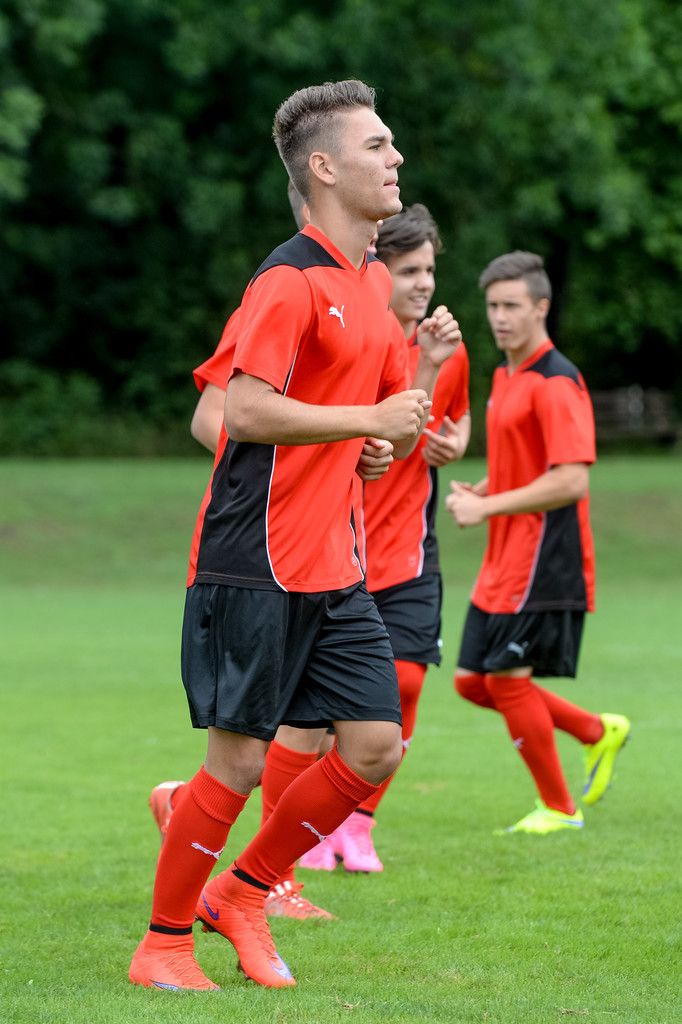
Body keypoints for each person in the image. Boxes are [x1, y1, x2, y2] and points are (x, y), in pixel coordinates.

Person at [129, 79, 461, 993]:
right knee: (237, 763)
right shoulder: (286, 281)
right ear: (324, 167)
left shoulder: (370, 283)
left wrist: (374, 446)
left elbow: (373, 429)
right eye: (377, 145)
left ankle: (244, 893)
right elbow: (237, 410)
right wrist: (363, 421)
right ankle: (162, 946)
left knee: (375, 746)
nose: (396, 157)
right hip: (256, 560)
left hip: (336, 567)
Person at [299, 204, 471, 872]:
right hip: (338, 544)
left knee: (405, 686)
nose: (423, 283)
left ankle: (359, 824)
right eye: (408, 270)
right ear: (377, 271)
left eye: (429, 269)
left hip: (410, 548)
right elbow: (389, 441)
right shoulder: (356, 343)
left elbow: (451, 422)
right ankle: (310, 828)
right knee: (318, 715)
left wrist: (455, 442)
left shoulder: (447, 347)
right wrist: (423, 377)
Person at [445, 250, 630, 835]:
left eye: (512, 306)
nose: (499, 318)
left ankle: (559, 809)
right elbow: (529, 463)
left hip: (543, 559)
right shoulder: (506, 376)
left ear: (541, 308)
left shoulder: (556, 381)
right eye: (492, 306)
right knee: (473, 681)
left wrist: (485, 507)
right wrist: (487, 486)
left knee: (505, 680)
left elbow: (571, 480)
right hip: (504, 557)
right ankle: (595, 731)